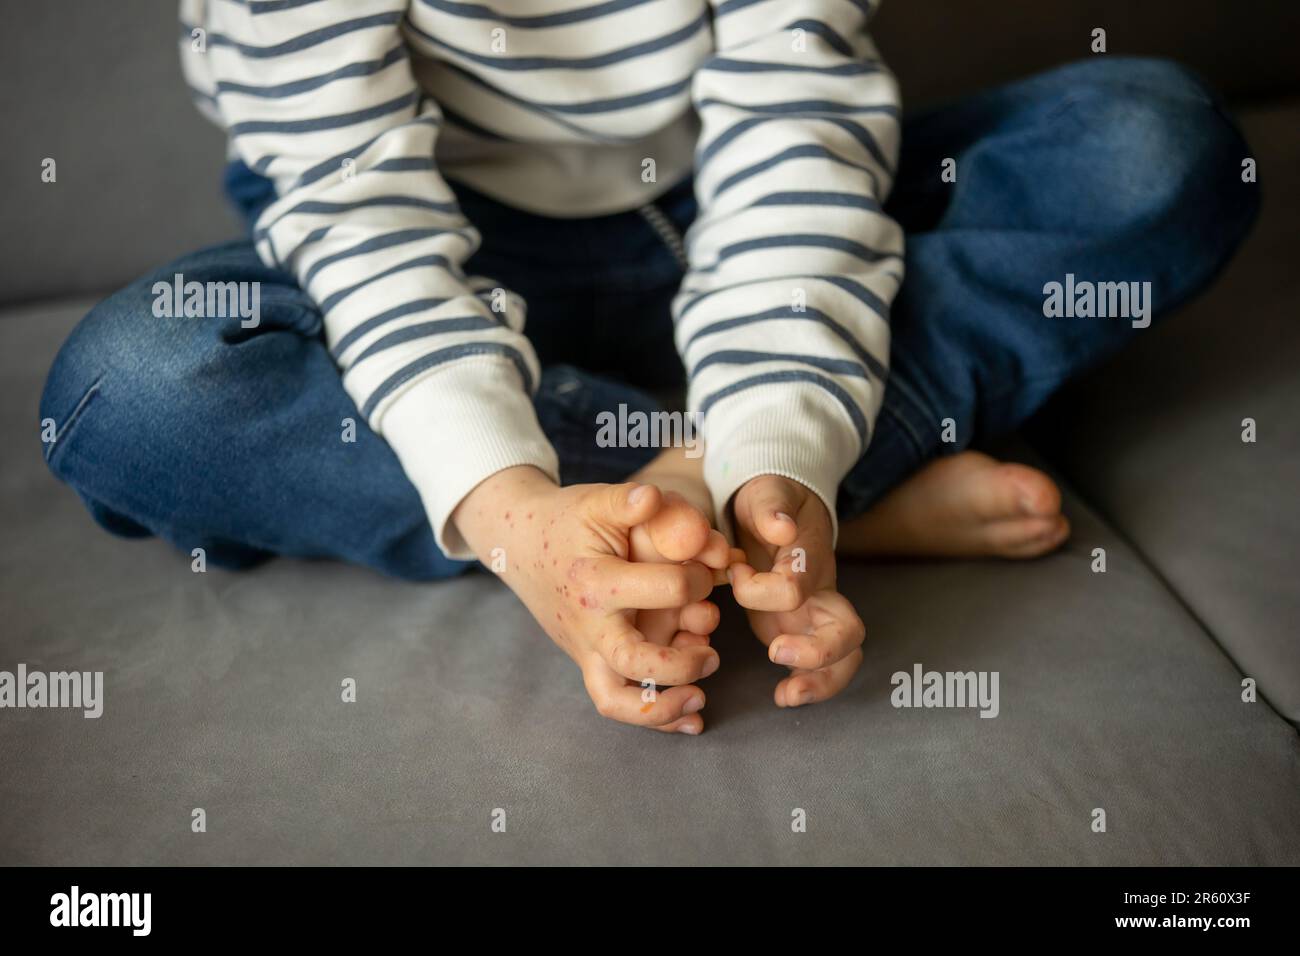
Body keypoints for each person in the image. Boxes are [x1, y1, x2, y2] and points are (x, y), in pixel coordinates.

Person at [39, 1, 1258, 734]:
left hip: (732, 206)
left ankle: (754, 477)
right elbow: (361, 217)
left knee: (1151, 145)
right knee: (132, 388)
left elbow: (795, 142)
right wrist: (514, 517)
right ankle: (761, 491)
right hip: (430, 259)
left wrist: (778, 426)